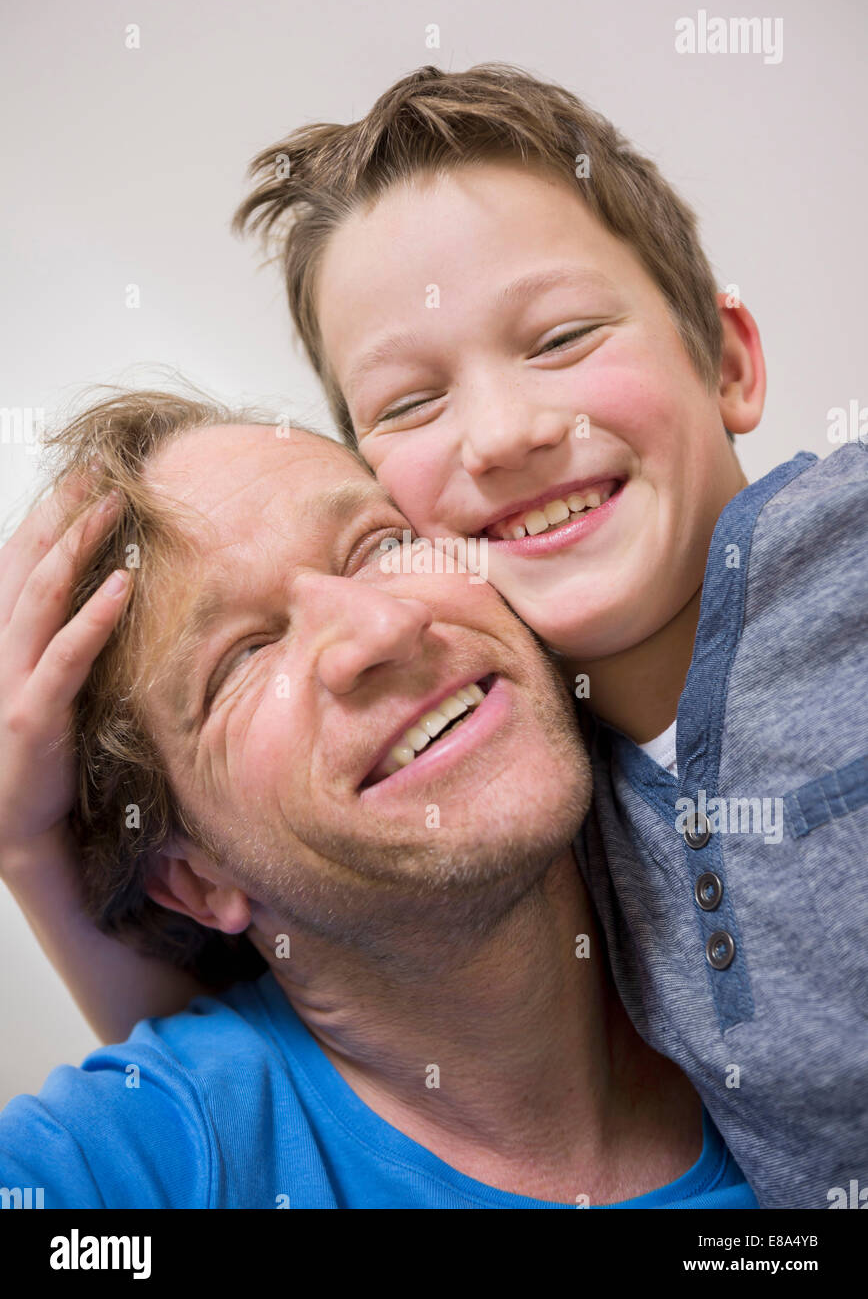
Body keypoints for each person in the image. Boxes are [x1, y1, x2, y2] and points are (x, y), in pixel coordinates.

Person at [226, 63, 868, 1209]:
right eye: (411, 404)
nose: (504, 433)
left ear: (726, 361)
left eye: (563, 337)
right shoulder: (515, 787)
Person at [0, 390, 756, 1209]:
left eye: (382, 543)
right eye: (241, 658)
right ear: (195, 879)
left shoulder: (789, 907)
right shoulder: (120, 1163)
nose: (382, 627)